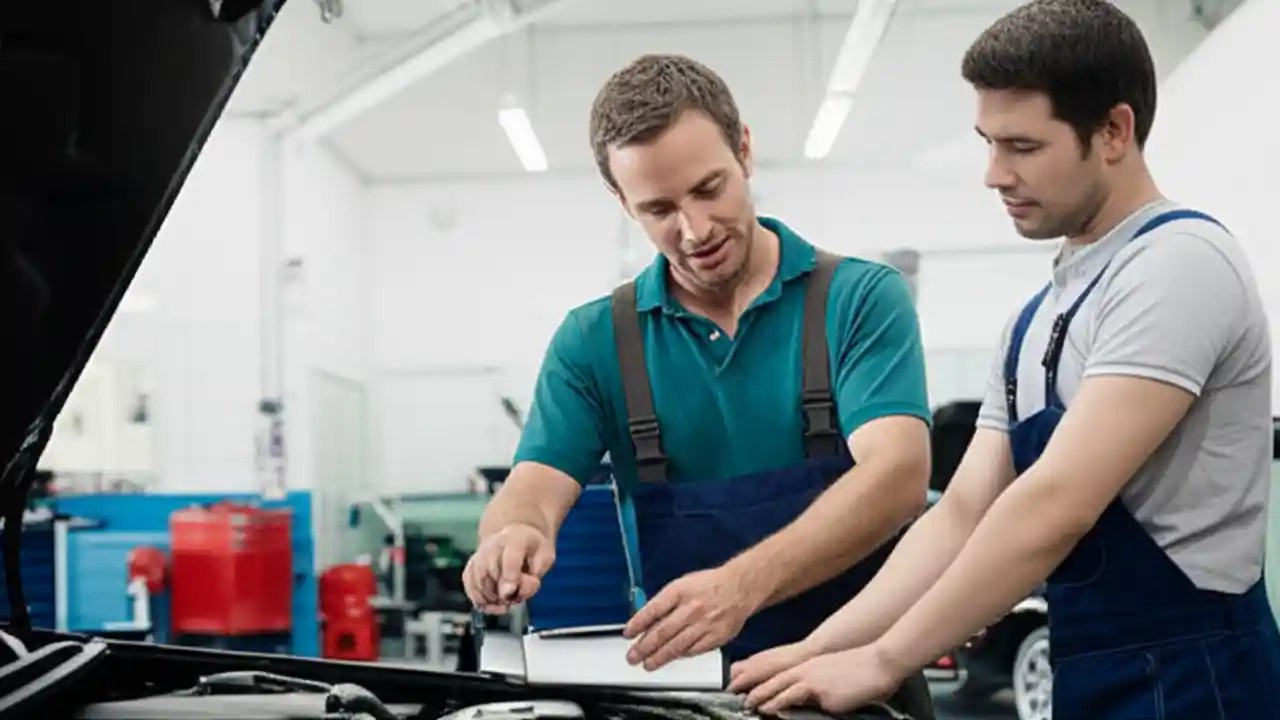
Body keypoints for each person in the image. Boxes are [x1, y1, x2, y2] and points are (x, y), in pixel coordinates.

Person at [728, 1, 1280, 717]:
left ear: (1113, 131)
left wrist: (886, 661)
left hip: (1198, 679)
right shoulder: (1035, 319)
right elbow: (961, 512)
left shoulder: (1179, 267)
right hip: (1092, 671)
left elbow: (1054, 506)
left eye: (1021, 146)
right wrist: (823, 647)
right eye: (988, 142)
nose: (993, 173)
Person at [461, 53, 936, 717]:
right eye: (658, 208)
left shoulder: (857, 300)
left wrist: (741, 586)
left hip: (858, 686)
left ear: (744, 150)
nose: (696, 230)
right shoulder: (595, 342)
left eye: (709, 188)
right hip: (685, 698)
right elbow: (531, 492)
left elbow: (897, 477)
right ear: (621, 202)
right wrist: (510, 537)